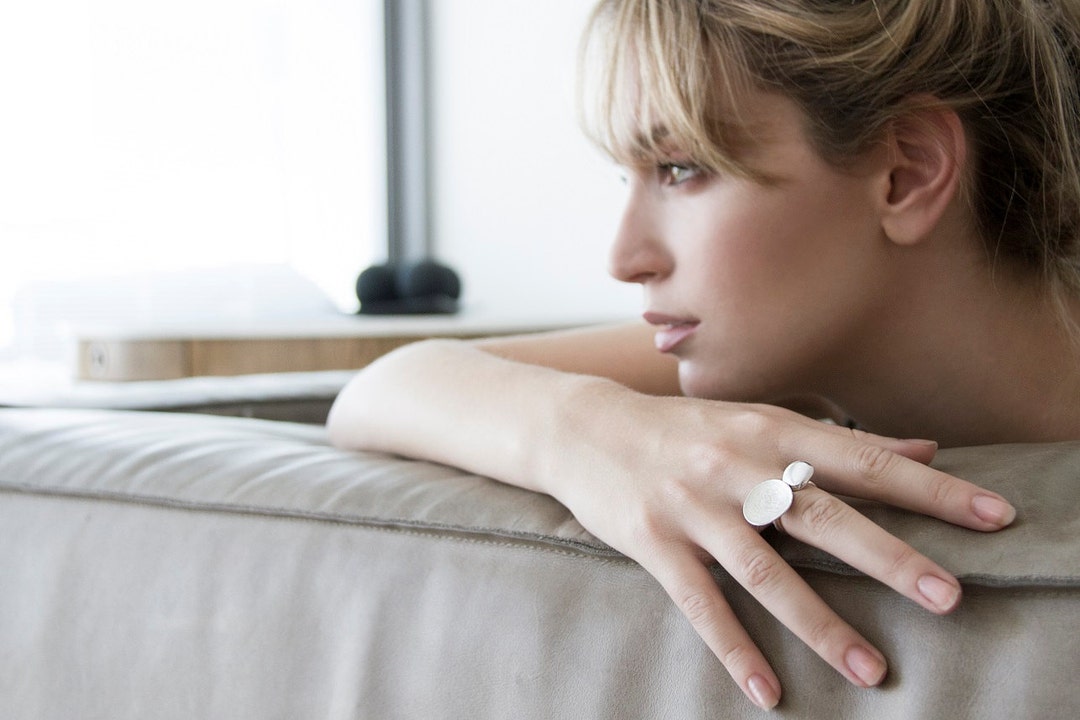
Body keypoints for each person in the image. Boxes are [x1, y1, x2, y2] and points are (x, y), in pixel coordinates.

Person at [328, 0, 1080, 711]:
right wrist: (595, 431)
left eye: (682, 168)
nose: (624, 258)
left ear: (907, 173)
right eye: (629, 177)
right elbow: (382, 388)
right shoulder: (755, 361)